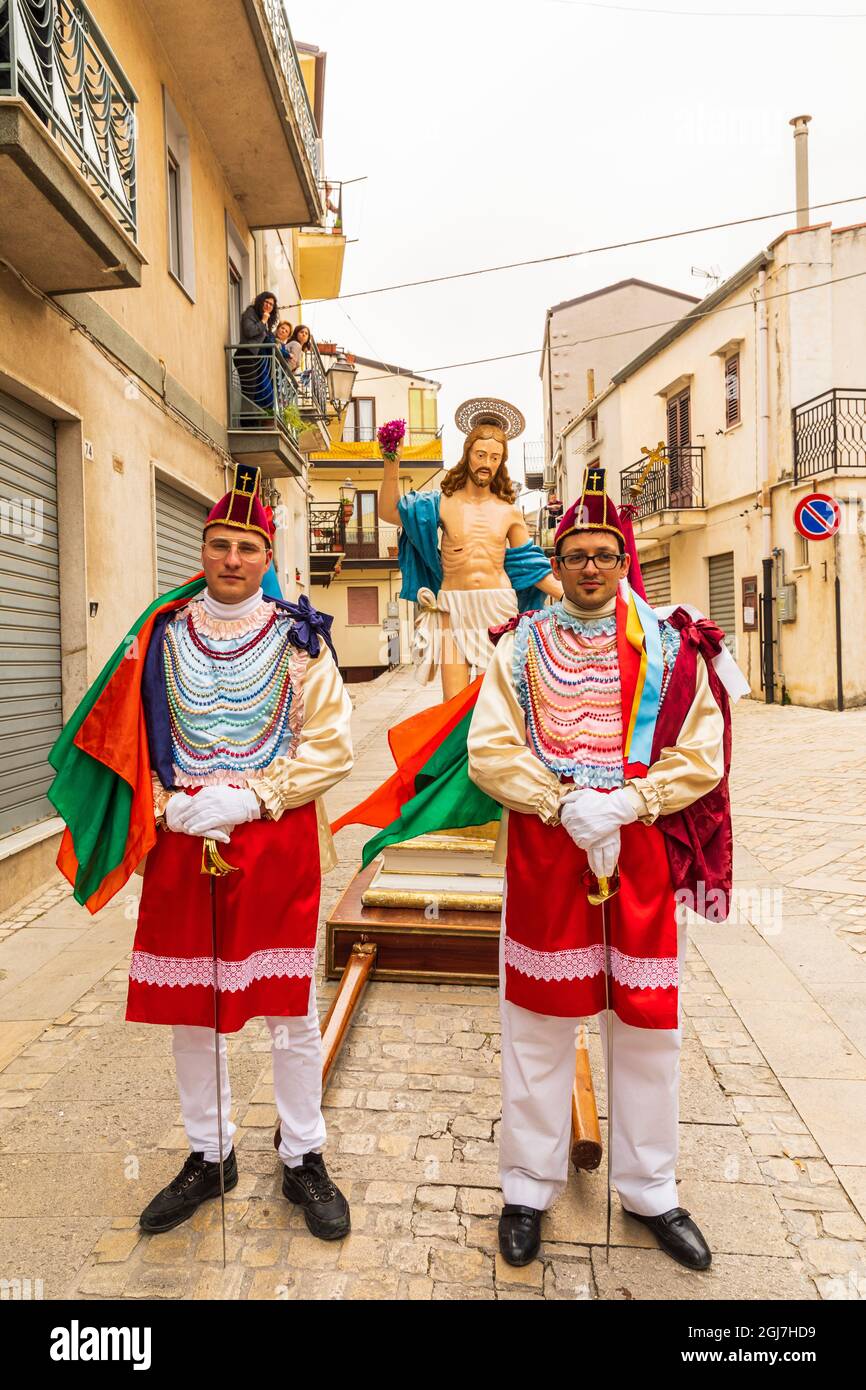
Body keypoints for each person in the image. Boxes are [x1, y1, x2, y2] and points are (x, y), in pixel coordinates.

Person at [49, 463, 355, 1242]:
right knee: (195, 1011)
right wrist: (163, 806)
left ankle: (303, 1156)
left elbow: (332, 745)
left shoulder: (300, 637)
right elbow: (128, 741)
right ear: (203, 546)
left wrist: (252, 796)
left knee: (288, 1008)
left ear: (267, 552)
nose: (230, 560)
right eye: (219, 544)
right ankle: (209, 1154)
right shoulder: (162, 634)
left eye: (246, 547)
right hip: (184, 838)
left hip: (275, 836)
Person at [467, 464, 745, 1271]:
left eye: (606, 554)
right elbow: (491, 748)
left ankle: (652, 1189)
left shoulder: (670, 644)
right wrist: (558, 804)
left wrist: (632, 801)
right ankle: (526, 1186)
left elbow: (703, 750)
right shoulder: (518, 647)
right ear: (558, 561)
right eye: (577, 553)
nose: (592, 567)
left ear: (627, 561)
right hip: (546, 855)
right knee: (538, 1026)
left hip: (641, 849)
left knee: (649, 1027)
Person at [378, 398, 562, 699]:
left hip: (499, 607)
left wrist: (573, 598)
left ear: (501, 462)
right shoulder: (441, 503)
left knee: (496, 703)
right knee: (453, 703)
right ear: (468, 454)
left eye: (495, 457)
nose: (487, 463)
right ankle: (458, 748)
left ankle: (493, 747)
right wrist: (391, 462)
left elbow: (531, 566)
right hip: (453, 606)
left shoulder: (509, 511)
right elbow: (389, 512)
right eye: (481, 454)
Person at [235, 291, 279, 417]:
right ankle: (246, 424)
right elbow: (249, 331)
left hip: (254, 358)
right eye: (266, 302)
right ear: (260, 301)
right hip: (245, 355)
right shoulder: (251, 312)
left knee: (253, 392)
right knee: (248, 392)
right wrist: (263, 321)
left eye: (271, 304)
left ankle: (252, 422)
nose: (268, 305)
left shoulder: (261, 318)